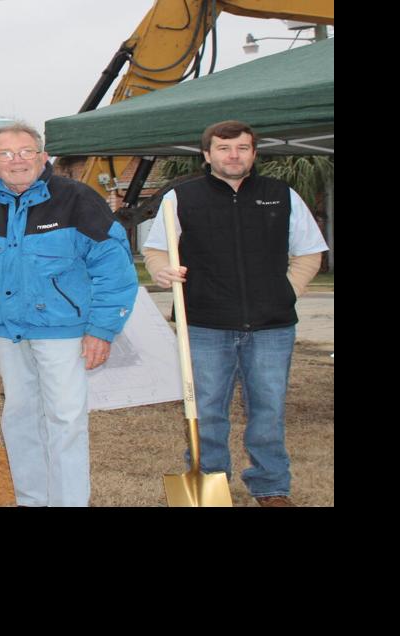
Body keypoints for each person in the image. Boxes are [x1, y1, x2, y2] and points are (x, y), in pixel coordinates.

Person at [0, 122, 138, 507]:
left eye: (25, 151)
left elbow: (114, 267)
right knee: (20, 417)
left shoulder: (76, 199)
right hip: (4, 331)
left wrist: (102, 329)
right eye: (6, 153)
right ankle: (32, 500)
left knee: (66, 419)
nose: (17, 160)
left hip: (62, 330)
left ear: (42, 156)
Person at [141, 120, 328, 508]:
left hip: (271, 327)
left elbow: (310, 252)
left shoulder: (282, 195)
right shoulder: (181, 198)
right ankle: (211, 482)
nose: (234, 156)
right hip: (206, 323)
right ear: (207, 155)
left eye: (242, 148)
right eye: (224, 149)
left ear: (254, 153)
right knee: (207, 409)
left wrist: (284, 294)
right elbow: (158, 251)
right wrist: (162, 272)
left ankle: (271, 486)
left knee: (269, 409)